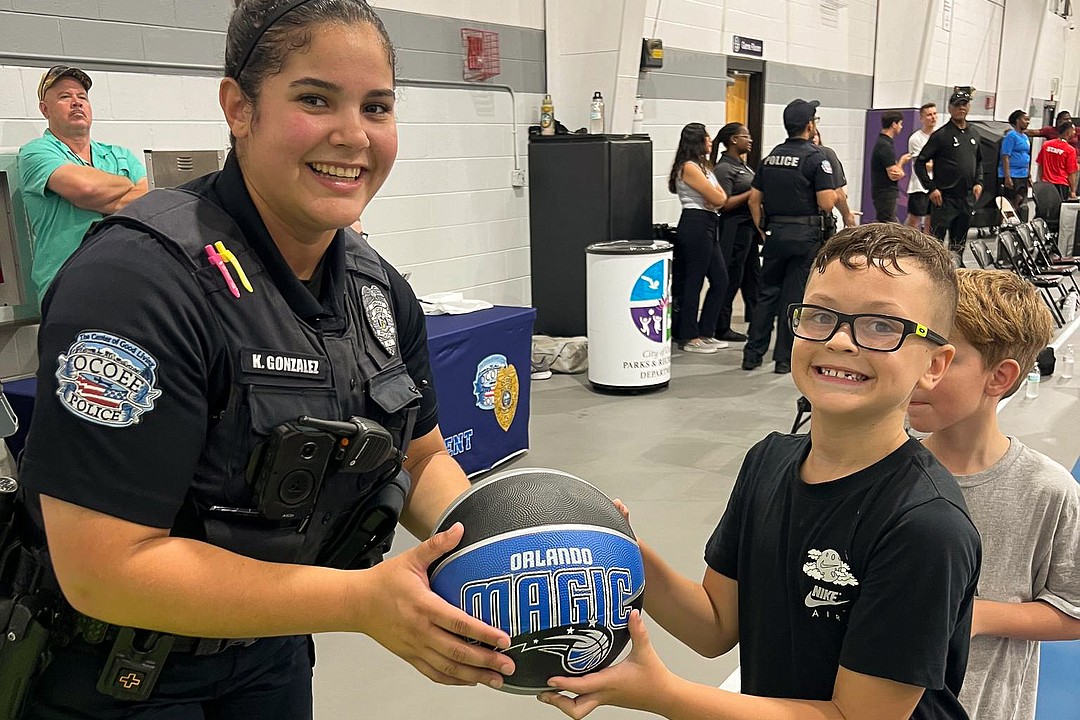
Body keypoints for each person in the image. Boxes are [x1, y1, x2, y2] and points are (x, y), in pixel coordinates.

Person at [9, 1, 515, 717]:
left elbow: (422, 457)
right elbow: (105, 568)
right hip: (114, 677)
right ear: (237, 107)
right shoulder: (137, 283)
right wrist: (362, 601)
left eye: (377, 106)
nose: (353, 135)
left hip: (269, 653)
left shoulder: (375, 289)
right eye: (315, 98)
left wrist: (516, 541)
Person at [539, 224, 980, 720]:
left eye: (881, 325)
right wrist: (619, 550)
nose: (839, 340)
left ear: (934, 365)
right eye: (820, 315)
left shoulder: (924, 526)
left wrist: (662, 694)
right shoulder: (768, 461)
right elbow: (715, 625)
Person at [907, 268, 1080, 720]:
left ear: (999, 377)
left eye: (943, 359)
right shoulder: (884, 471)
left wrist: (976, 616)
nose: (917, 374)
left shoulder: (1046, 490)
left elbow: (1074, 608)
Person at [18, 65, 148, 306]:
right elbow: (86, 189)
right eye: (65, 97)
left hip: (126, 283)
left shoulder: (119, 154)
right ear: (44, 109)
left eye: (82, 97)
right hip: (67, 288)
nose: (76, 103)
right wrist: (125, 186)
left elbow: (148, 201)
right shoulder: (35, 153)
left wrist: (96, 194)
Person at [743, 99, 837, 374]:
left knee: (766, 294)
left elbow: (754, 198)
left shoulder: (771, 157)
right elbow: (826, 202)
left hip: (775, 233)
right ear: (809, 125)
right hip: (805, 236)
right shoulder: (816, 158)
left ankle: (752, 354)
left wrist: (761, 227)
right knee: (793, 297)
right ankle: (784, 359)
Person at [669, 123, 729, 354]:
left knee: (720, 280)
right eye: (708, 139)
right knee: (694, 281)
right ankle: (689, 336)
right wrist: (716, 198)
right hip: (696, 223)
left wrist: (717, 198)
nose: (711, 143)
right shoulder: (689, 167)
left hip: (709, 223)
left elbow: (720, 197)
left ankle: (706, 331)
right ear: (698, 141)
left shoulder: (704, 167)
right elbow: (717, 197)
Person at [914, 90, 984, 266]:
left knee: (959, 242)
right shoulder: (941, 135)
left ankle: (957, 273)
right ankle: (935, 274)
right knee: (937, 243)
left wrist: (979, 182)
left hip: (966, 198)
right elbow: (920, 163)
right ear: (950, 108)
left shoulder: (974, 134)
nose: (961, 108)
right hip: (945, 199)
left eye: (964, 104)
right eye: (957, 105)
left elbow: (980, 161)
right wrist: (931, 188)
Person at [709, 122, 756, 343]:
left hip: (748, 229)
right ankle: (721, 326)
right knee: (730, 278)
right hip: (732, 229)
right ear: (734, 140)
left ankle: (756, 319)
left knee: (751, 278)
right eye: (746, 136)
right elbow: (724, 203)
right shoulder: (724, 168)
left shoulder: (743, 166)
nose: (750, 140)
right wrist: (752, 193)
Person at [869, 110, 910, 223]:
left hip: (885, 193)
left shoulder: (885, 143)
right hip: (885, 194)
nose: (901, 127)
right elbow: (894, 175)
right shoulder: (884, 145)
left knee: (890, 223)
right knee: (888, 224)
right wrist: (901, 162)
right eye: (900, 123)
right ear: (894, 124)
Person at [812, 128, 857, 229]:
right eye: (812, 135)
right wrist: (847, 215)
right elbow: (837, 193)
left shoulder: (779, 152)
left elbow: (841, 191)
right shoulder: (826, 154)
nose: (814, 138)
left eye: (816, 135)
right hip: (815, 222)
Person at [906, 102, 938, 234]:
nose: (933, 117)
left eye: (935, 114)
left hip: (936, 185)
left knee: (931, 219)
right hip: (919, 186)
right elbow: (923, 165)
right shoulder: (916, 139)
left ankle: (926, 248)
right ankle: (906, 243)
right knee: (915, 219)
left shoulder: (939, 136)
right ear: (922, 118)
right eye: (929, 115)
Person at [998, 109, 1033, 220]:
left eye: (1029, 120)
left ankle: (1015, 223)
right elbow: (1005, 156)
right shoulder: (1011, 136)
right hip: (1012, 174)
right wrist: (1007, 177)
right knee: (1009, 203)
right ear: (1018, 121)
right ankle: (1005, 223)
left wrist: (1028, 175)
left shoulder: (1025, 137)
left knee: (1020, 200)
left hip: (1023, 174)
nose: (1028, 122)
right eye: (1025, 119)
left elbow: (1026, 156)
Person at [1035, 120, 1079, 200]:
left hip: (1046, 184)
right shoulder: (1070, 150)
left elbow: (1040, 165)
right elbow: (1071, 173)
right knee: (1057, 210)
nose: (1075, 133)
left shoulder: (1046, 145)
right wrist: (1073, 191)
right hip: (1060, 185)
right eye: (1073, 131)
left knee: (1044, 207)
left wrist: (1041, 181)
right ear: (1068, 132)